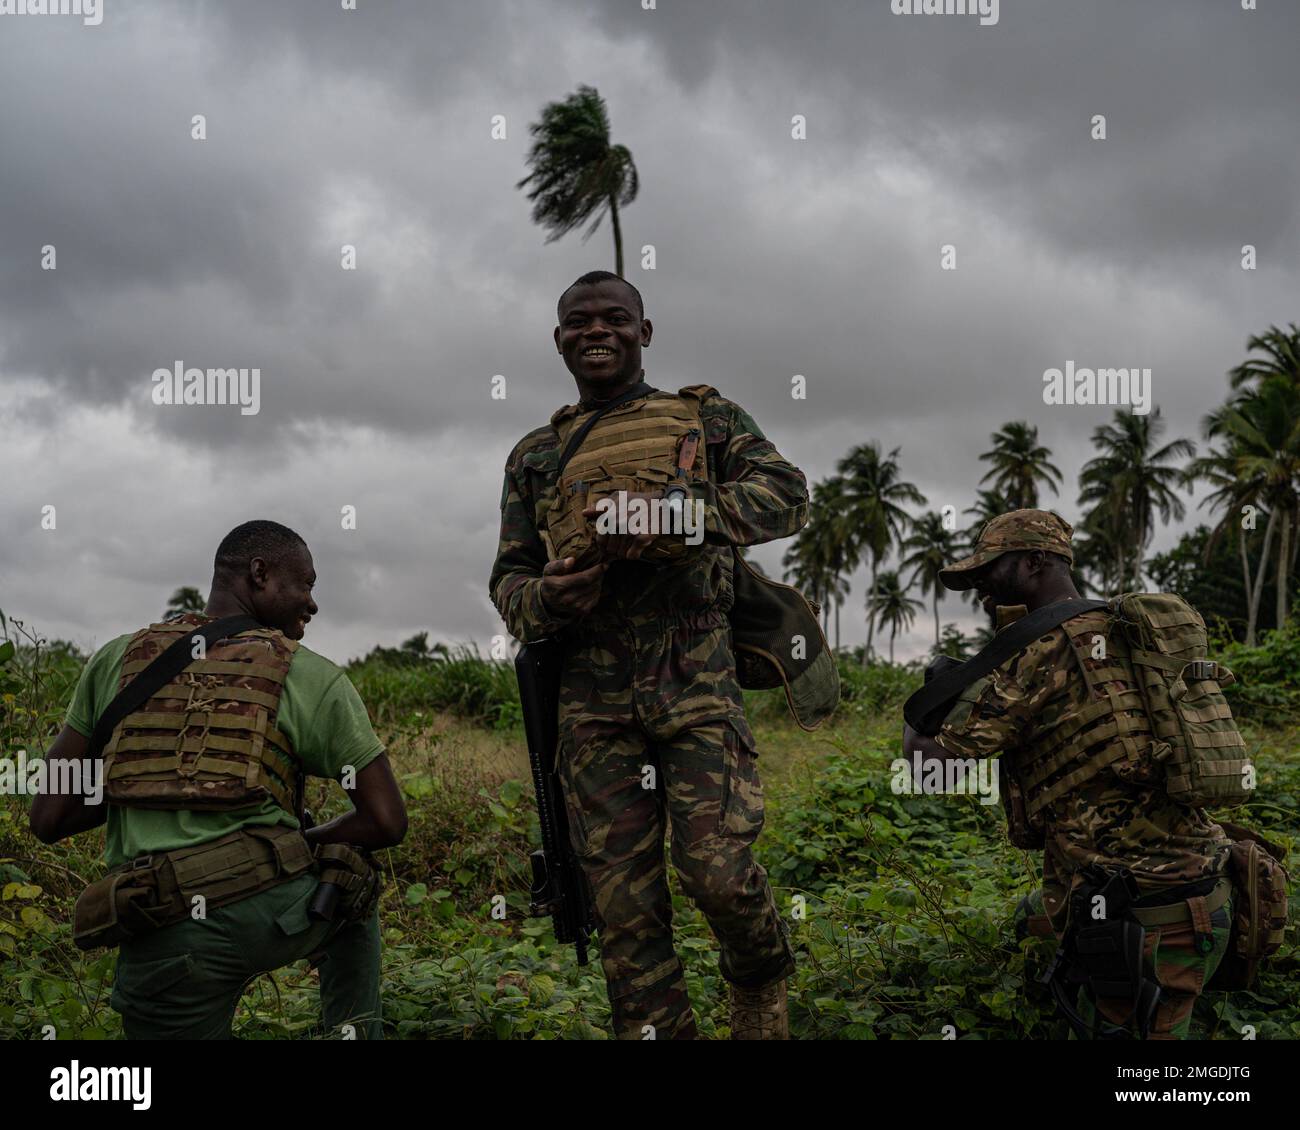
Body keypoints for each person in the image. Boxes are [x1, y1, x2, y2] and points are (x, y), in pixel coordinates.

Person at [490, 270, 809, 1039]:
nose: (595, 332)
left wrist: (678, 517)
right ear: (559, 338)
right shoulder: (536, 454)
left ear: (645, 331)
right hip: (590, 694)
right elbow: (509, 576)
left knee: (719, 874)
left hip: (695, 675)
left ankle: (759, 976)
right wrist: (547, 600)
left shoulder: (706, 417)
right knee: (623, 911)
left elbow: (787, 495)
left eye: (614, 319)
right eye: (578, 322)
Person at [31, 520, 407, 1039]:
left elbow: (48, 817)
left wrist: (143, 783)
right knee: (352, 879)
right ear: (259, 574)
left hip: (163, 927)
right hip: (275, 911)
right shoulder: (311, 675)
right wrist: (305, 844)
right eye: (306, 584)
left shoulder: (116, 659)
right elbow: (386, 821)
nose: (313, 603)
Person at [902, 509, 1234, 1040]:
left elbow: (930, 773)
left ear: (1035, 562)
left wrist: (923, 710)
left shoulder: (1040, 651)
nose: (982, 586)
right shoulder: (1130, 629)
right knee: (1031, 916)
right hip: (1202, 887)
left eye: (992, 569)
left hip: (1148, 920)